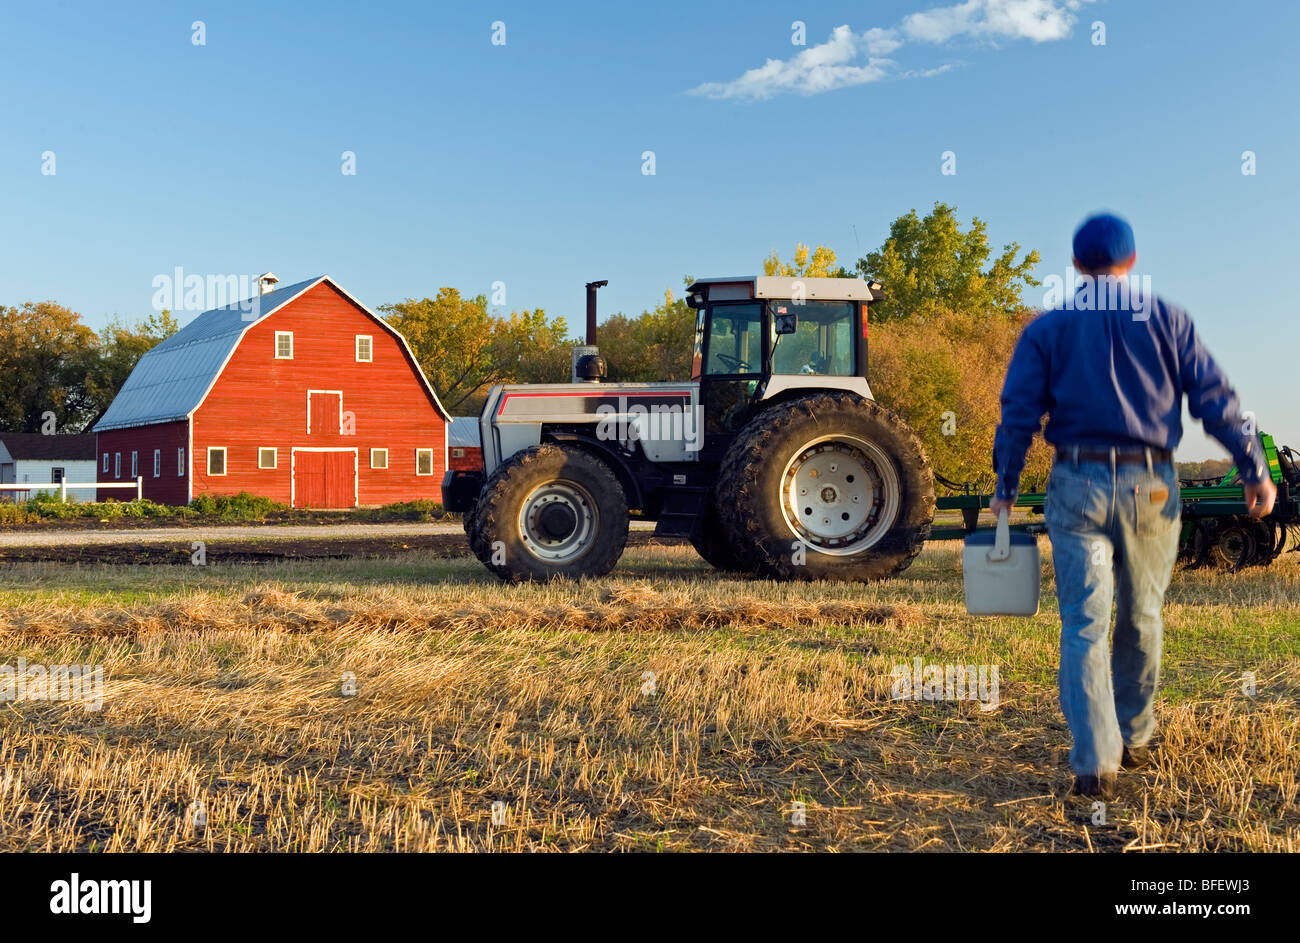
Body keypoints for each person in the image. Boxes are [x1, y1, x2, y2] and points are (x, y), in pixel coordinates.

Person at [989, 213, 1277, 799]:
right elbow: (1217, 401)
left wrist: (1006, 484)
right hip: (1150, 487)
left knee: (1083, 623)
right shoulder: (1168, 319)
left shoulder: (1048, 329)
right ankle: (1137, 732)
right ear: (1132, 260)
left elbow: (1018, 412)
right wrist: (1254, 466)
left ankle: (1095, 762)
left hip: (1076, 483)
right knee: (1143, 614)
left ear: (1075, 266)